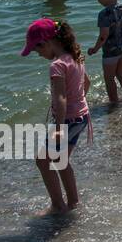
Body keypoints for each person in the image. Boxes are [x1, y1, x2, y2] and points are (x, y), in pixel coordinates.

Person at [22, 18, 91, 215]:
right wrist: (79, 102)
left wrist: (59, 128)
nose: (39, 54)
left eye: (38, 50)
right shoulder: (75, 56)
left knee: (42, 160)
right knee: (61, 160)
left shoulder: (57, 66)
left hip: (67, 120)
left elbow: (60, 98)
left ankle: (57, 205)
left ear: (47, 42)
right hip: (82, 117)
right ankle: (73, 201)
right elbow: (87, 84)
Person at [88, 0, 122, 103]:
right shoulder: (121, 7)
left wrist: (95, 48)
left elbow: (103, 35)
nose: (97, 0)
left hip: (110, 52)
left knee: (109, 78)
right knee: (121, 74)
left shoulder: (104, 14)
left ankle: (114, 102)